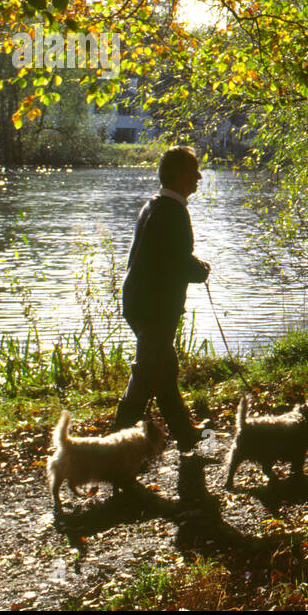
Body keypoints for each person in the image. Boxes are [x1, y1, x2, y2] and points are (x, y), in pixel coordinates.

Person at [112, 146, 211, 452]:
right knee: (146, 374)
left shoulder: (153, 206)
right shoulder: (173, 211)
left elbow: (161, 257)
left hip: (139, 301)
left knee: (164, 370)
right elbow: (178, 262)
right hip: (156, 307)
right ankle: (116, 443)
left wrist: (189, 265)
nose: (198, 177)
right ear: (179, 175)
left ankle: (184, 433)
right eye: (193, 171)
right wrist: (202, 270)